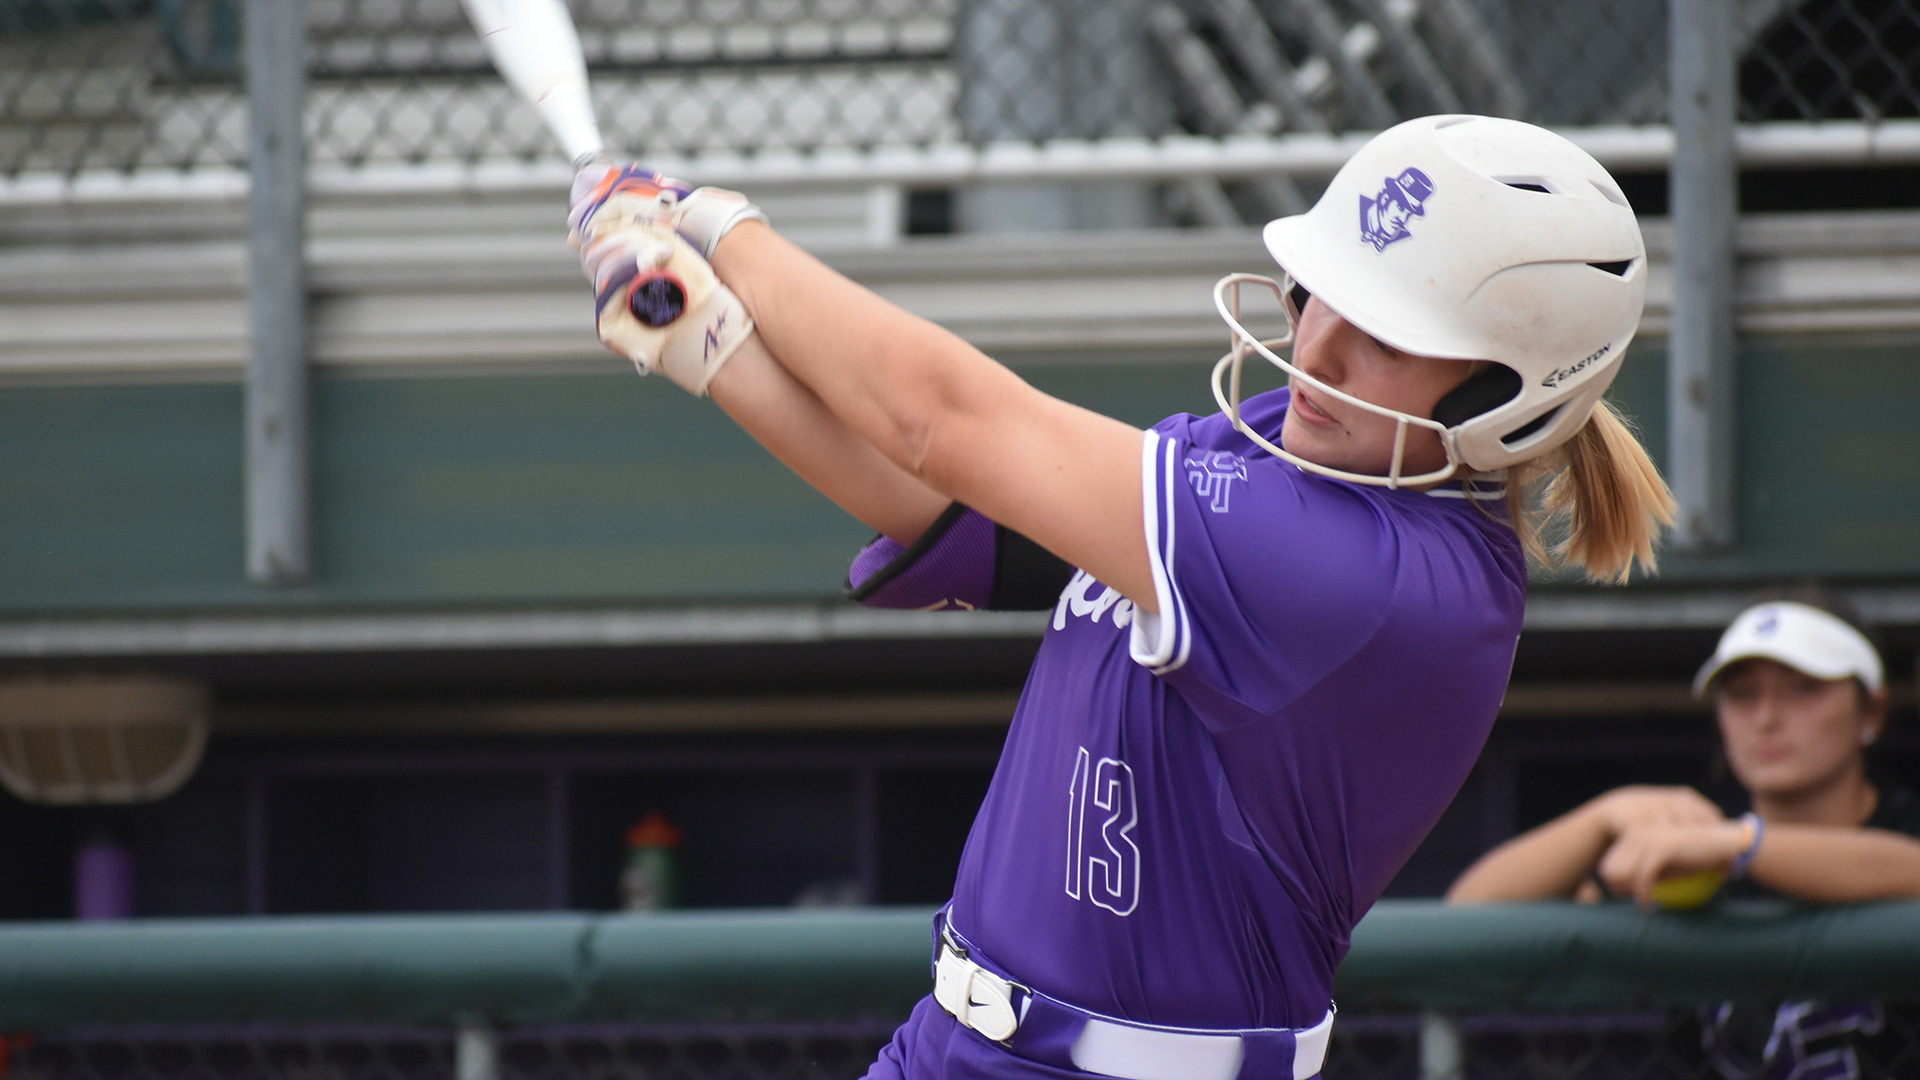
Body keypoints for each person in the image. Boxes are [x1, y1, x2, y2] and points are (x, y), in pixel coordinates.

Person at [568, 115, 1674, 1080]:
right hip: (953, 1045)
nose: (1313, 348)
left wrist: (711, 221)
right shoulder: (1276, 466)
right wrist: (704, 335)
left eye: (1384, 338)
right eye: (1318, 295)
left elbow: (947, 418)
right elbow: (944, 502)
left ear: (1508, 400)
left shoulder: (1378, 578)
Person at [1446, 594, 1920, 1080]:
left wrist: (1740, 847)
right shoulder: (1695, 851)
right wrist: (1604, 815)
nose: (1766, 718)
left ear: (1872, 713)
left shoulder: (1894, 827)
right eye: (1742, 694)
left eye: (1804, 689)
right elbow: (1465, 919)